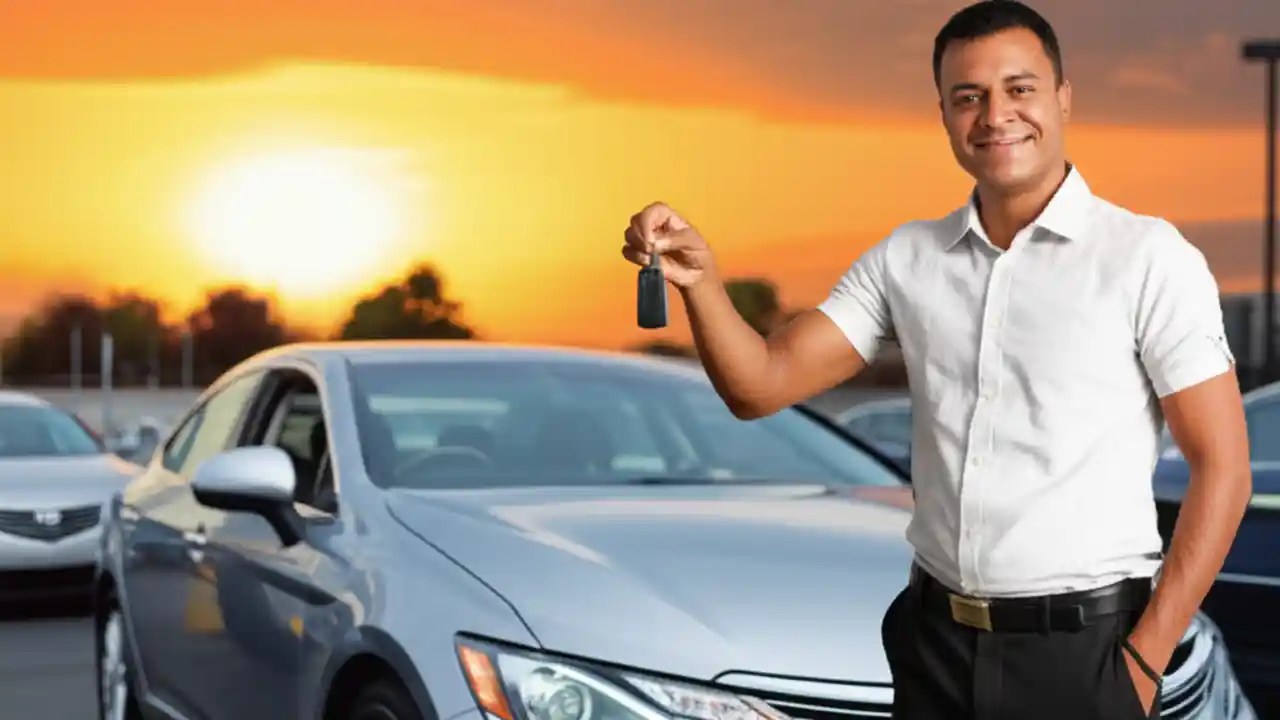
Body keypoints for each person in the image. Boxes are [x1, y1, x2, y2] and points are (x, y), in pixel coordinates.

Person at [620, 1, 1252, 718]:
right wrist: (700, 281)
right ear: (945, 115)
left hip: (1085, 657)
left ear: (1063, 98)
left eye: (1020, 89)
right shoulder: (906, 260)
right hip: (935, 648)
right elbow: (758, 385)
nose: (995, 115)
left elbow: (1223, 468)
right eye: (968, 97)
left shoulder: (1147, 257)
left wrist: (1143, 659)